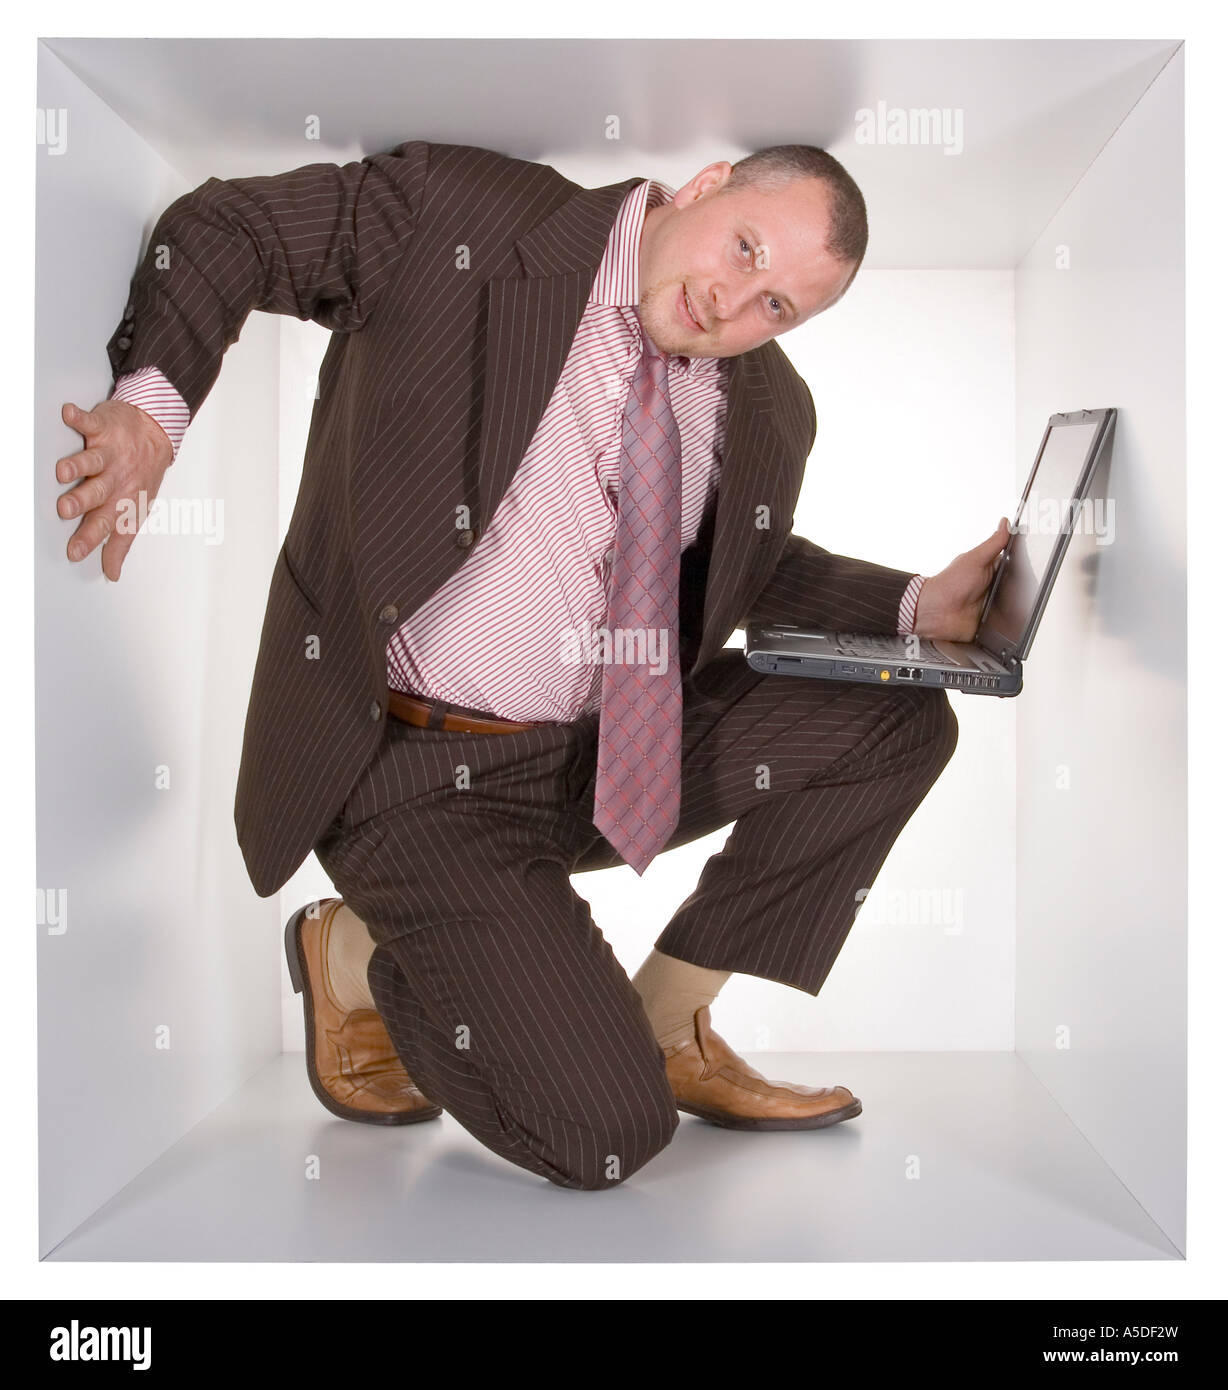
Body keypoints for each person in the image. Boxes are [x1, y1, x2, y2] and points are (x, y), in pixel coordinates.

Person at [56, 140, 1008, 1191]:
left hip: (605, 760)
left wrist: (920, 606)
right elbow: (229, 224)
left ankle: (667, 1021)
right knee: (604, 1136)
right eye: (743, 247)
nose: (731, 302)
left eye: (776, 305)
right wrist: (149, 414)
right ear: (704, 186)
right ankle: (364, 950)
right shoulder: (462, 216)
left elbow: (745, 565)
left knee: (900, 717)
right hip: (415, 777)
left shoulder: (769, 405)